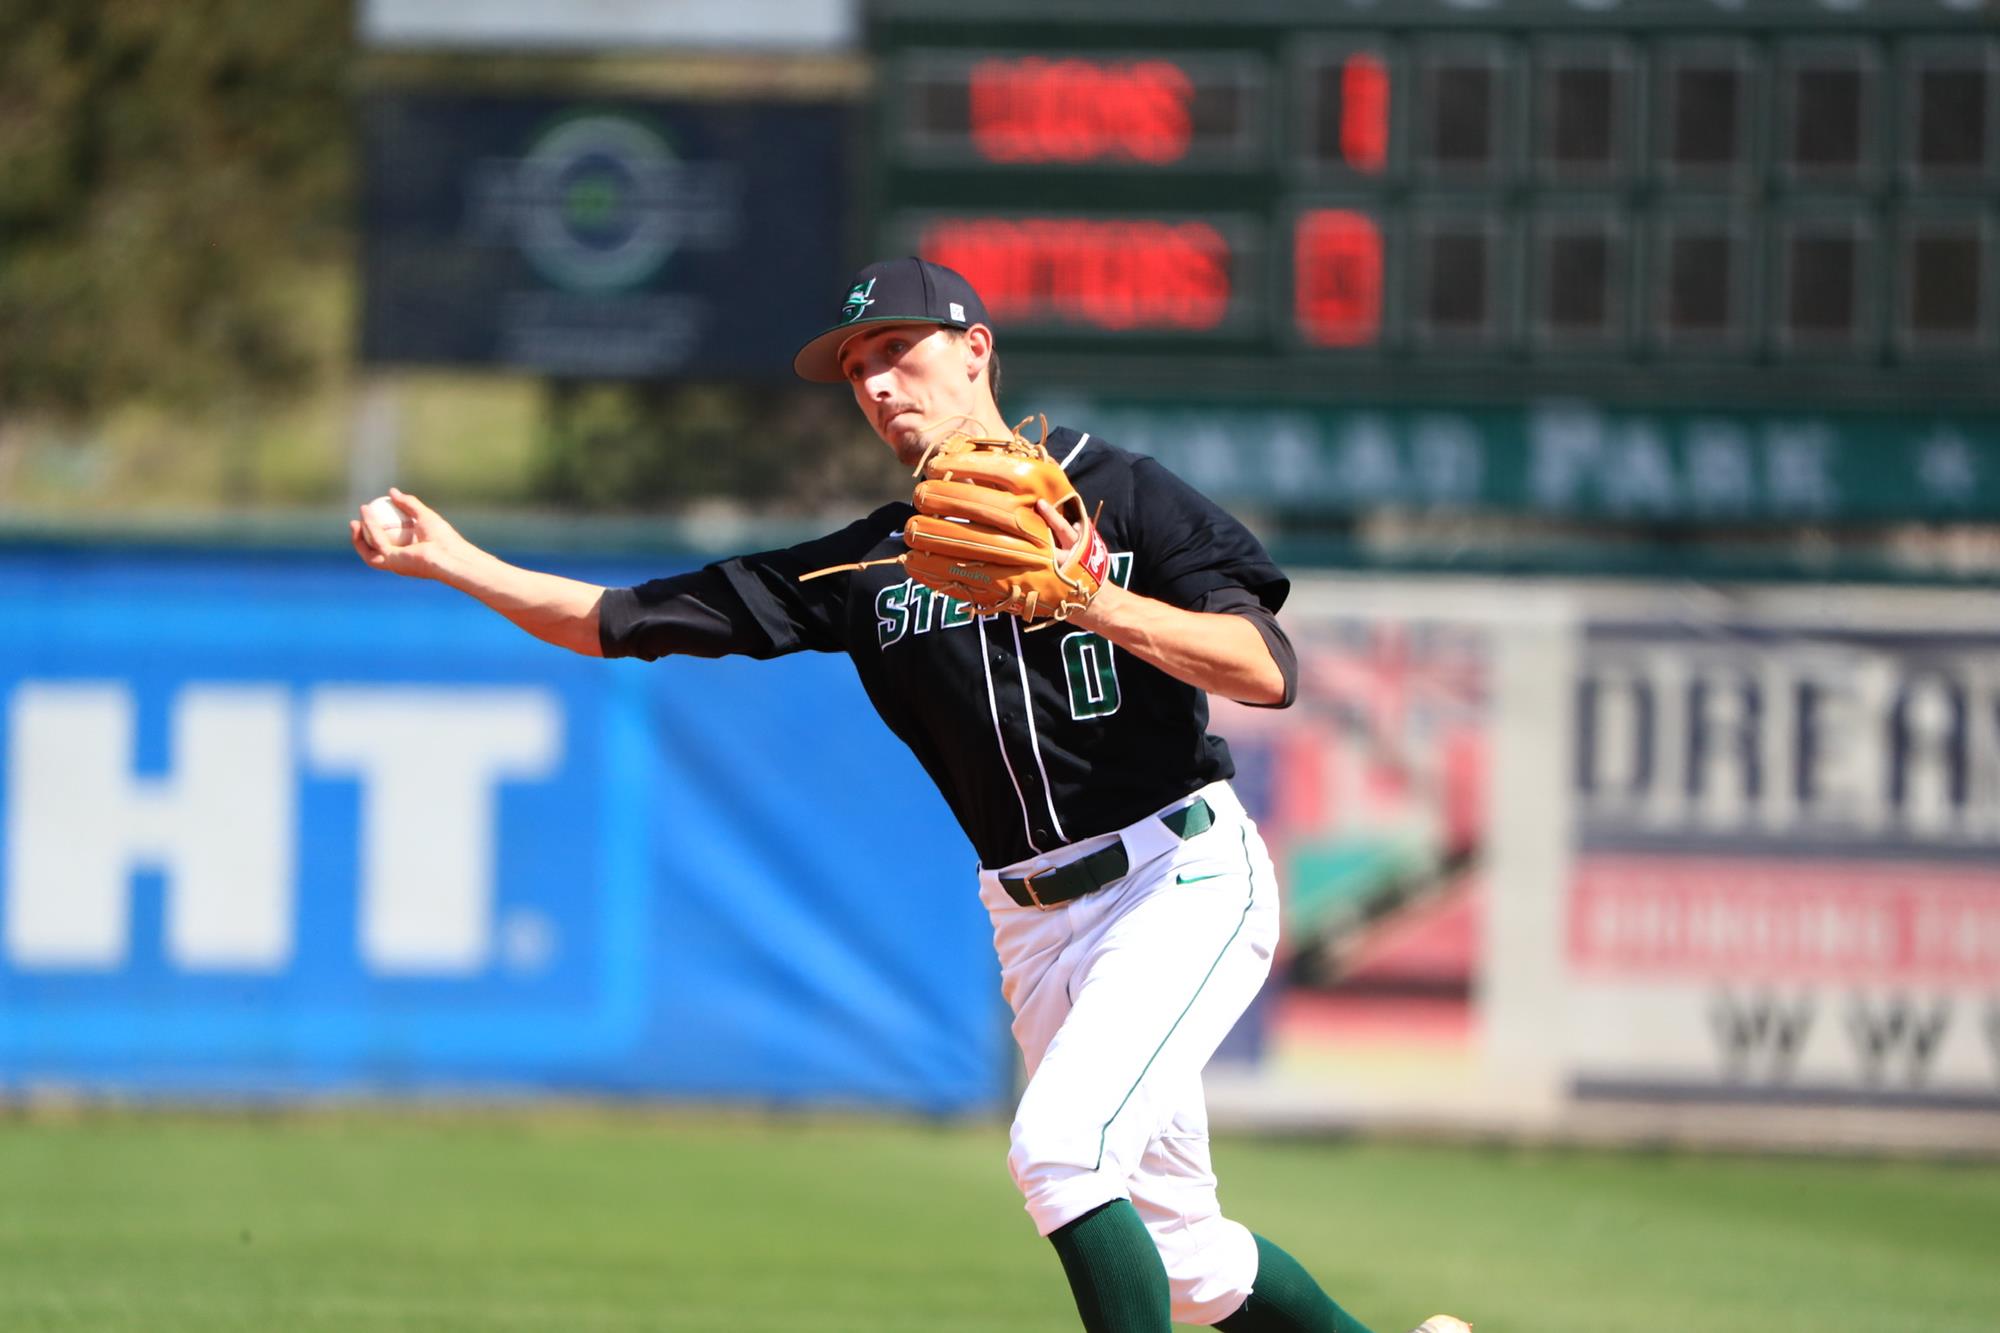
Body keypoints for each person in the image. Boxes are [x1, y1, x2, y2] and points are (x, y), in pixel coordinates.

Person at [349, 256, 1466, 1333]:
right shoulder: (871, 564)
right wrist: (456, 560)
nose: (876, 384)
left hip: (1178, 875)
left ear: (974, 350)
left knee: (1059, 1152)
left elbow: (1263, 668)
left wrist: (1089, 598)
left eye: (896, 349)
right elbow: (614, 621)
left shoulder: (1116, 495)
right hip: (1030, 923)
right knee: (1182, 1260)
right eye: (854, 371)